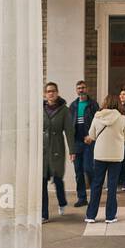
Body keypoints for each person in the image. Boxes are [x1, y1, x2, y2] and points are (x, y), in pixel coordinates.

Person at [84, 93, 125, 224]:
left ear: (105, 103)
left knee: (96, 184)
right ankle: (110, 216)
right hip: (116, 156)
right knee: (112, 186)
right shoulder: (122, 118)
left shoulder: (97, 117)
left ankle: (91, 215)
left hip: (100, 155)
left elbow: (92, 135)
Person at [42, 82, 75, 221]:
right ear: (45, 94)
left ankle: (62, 202)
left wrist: (72, 150)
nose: (51, 93)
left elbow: (69, 131)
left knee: (57, 179)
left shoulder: (64, 110)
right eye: (48, 91)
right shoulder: (40, 109)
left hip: (57, 149)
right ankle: (44, 214)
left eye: (53, 91)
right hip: (42, 150)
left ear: (57, 93)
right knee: (42, 181)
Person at [69, 80, 99, 208]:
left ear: (87, 89)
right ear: (76, 90)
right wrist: (71, 148)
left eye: (83, 87)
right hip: (77, 142)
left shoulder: (93, 104)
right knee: (78, 171)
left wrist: (92, 136)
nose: (81, 90)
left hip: (89, 142)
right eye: (79, 88)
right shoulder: (73, 106)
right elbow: (69, 126)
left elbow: (99, 122)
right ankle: (82, 198)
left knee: (89, 169)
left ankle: (94, 197)